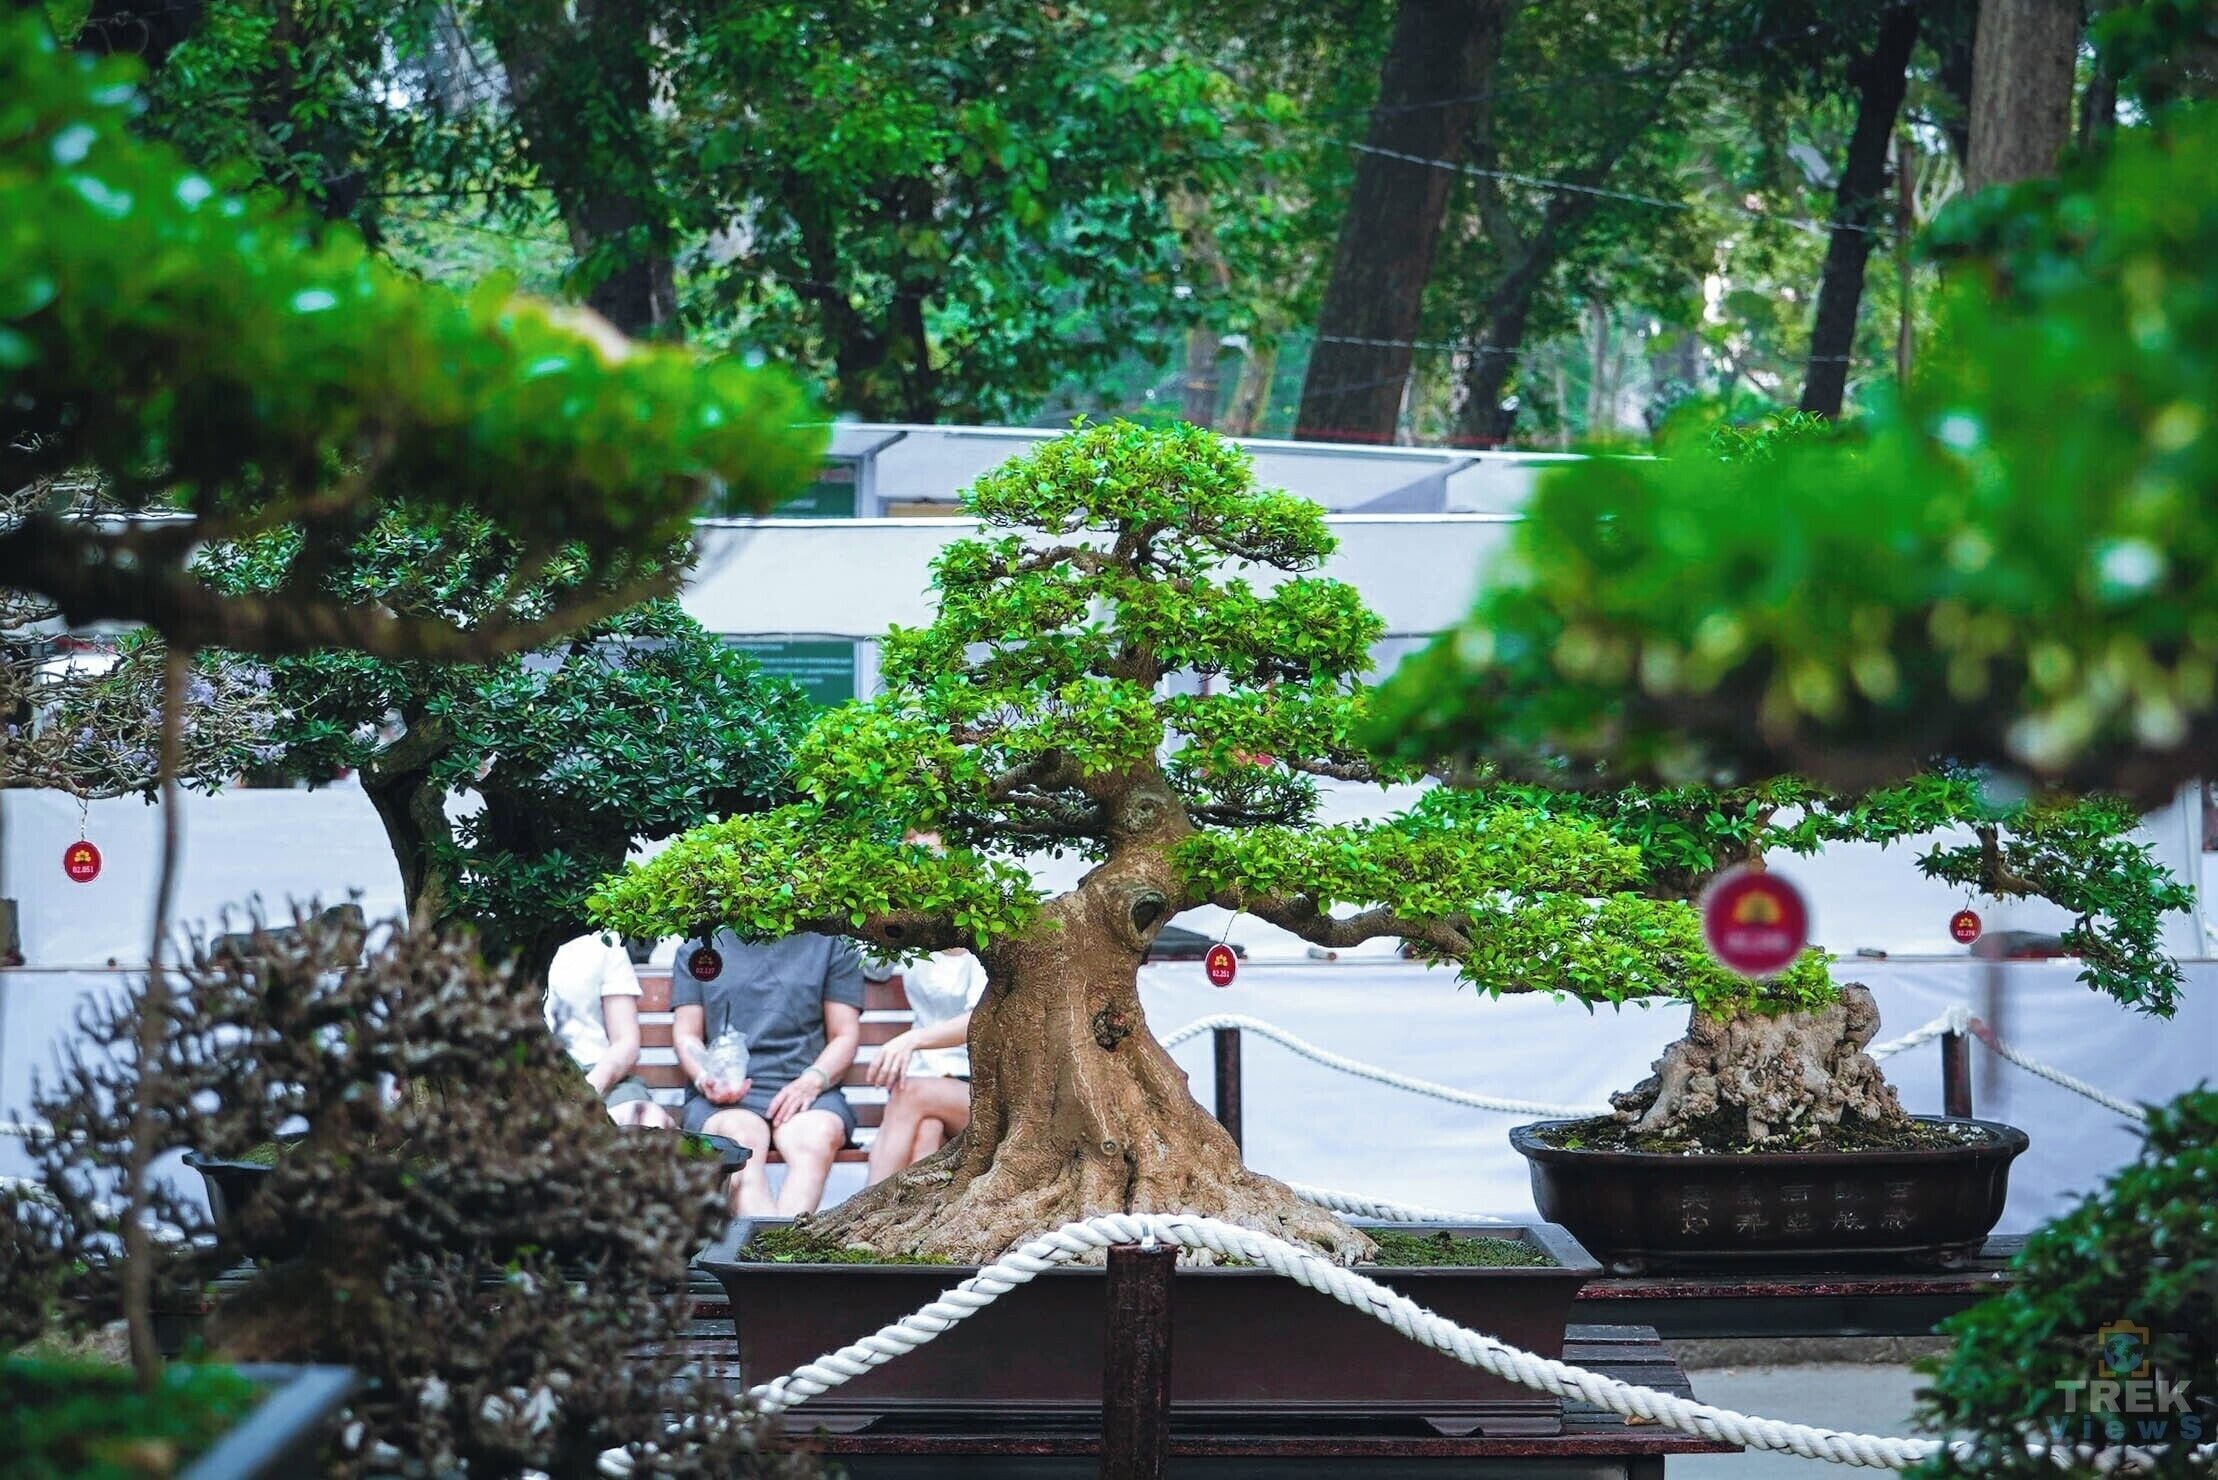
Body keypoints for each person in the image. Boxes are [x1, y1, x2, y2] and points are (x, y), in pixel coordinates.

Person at [672, 930, 863, 1215]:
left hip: (806, 1090)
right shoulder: (702, 943)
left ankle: (775, 1251)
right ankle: (769, 1250)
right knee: (740, 1143)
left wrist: (812, 1081)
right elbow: (687, 1034)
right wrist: (705, 1077)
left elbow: (844, 1034)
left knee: (816, 1139)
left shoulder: (831, 941)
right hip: (723, 1096)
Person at [865, 947, 988, 1184]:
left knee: (910, 1093)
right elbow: (874, 968)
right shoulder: (918, 938)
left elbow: (977, 1021)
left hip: (976, 1086)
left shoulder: (986, 941)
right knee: (926, 1133)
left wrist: (912, 1040)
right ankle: (901, 1217)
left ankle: (863, 1206)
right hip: (922, 1076)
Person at [543, 931, 674, 1128]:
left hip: (597, 1076)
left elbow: (626, 1042)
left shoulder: (603, 941)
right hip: (529, 1079)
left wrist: (584, 1092)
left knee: (646, 1119)